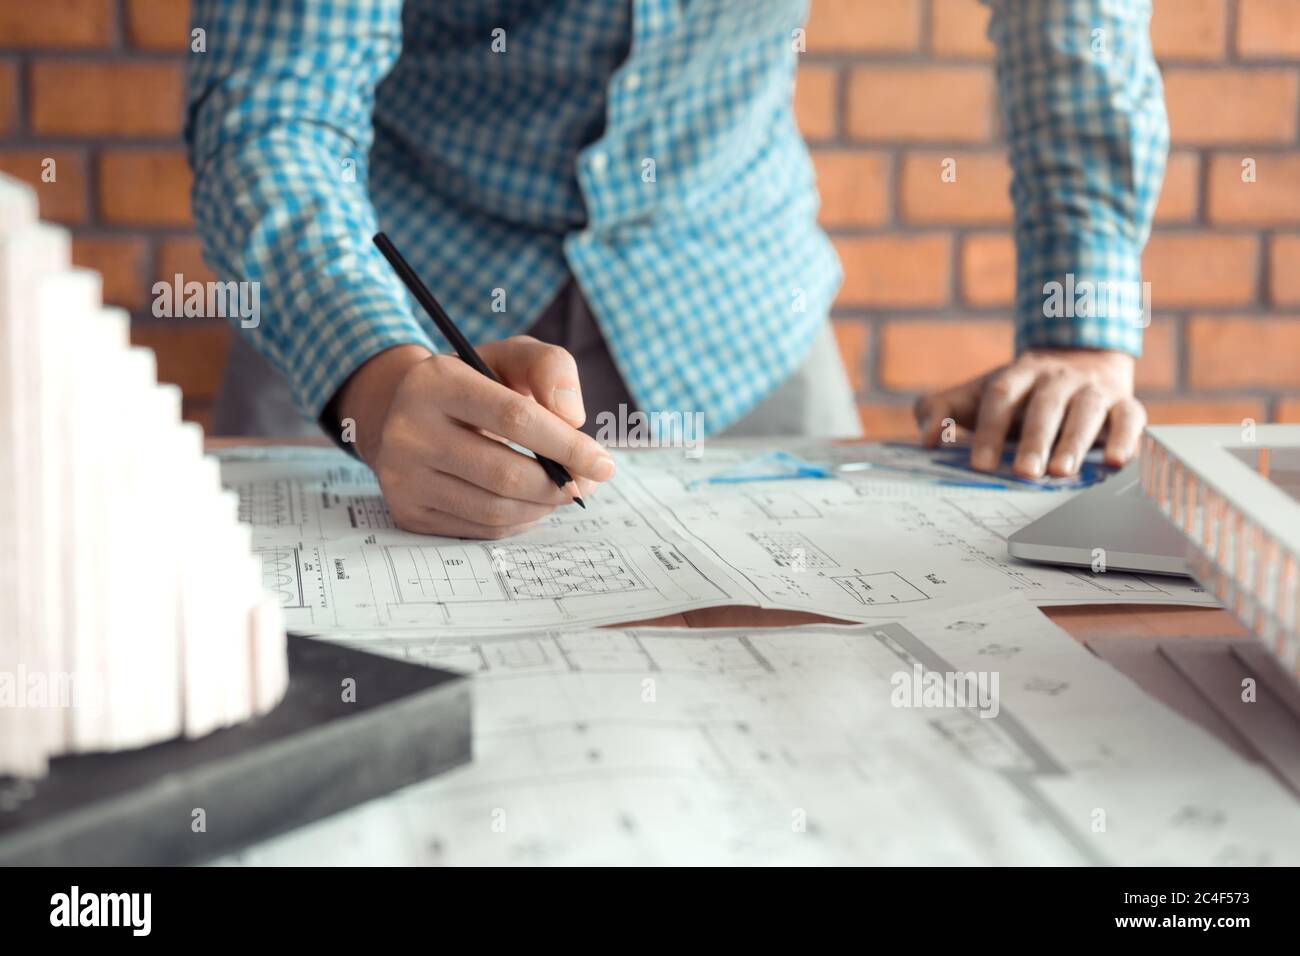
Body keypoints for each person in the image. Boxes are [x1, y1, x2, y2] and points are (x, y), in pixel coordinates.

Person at [186, 0, 1166, 538]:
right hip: (379, 300)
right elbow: (274, 104)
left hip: (732, 298)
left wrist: (1079, 330)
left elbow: (1072, 24)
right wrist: (368, 370)